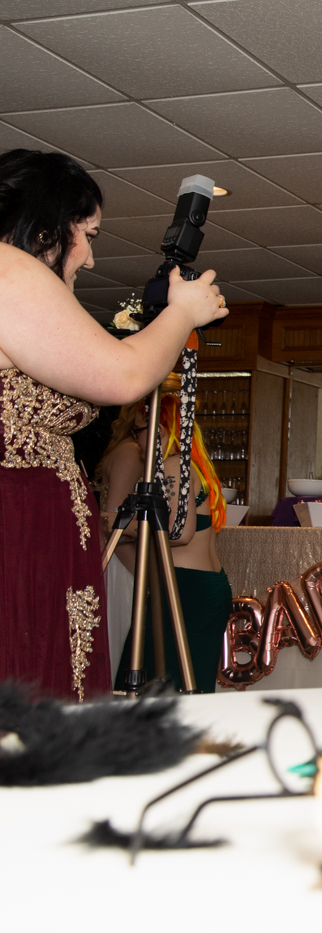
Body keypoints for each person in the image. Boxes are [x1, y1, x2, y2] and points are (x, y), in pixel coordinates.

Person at [0, 149, 226, 700]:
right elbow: (123, 376)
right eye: (91, 234)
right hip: (15, 523)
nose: (92, 259)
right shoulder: (10, 270)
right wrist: (183, 313)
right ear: (52, 224)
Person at [99, 394, 232, 693]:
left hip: (185, 589)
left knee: (159, 687)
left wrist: (111, 521)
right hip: (203, 585)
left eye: (138, 431)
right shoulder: (193, 465)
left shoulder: (173, 466)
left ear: (161, 430)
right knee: (189, 683)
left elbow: (176, 532)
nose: (135, 441)